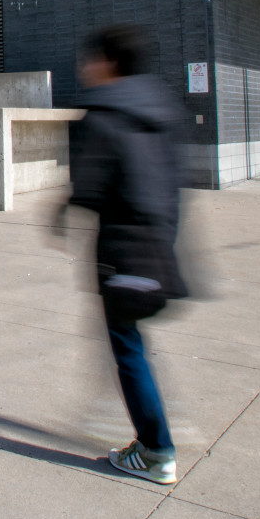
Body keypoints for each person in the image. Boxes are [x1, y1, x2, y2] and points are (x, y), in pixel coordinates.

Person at [57, 24, 189, 486]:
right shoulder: (160, 111)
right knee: (133, 343)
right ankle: (155, 435)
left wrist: (62, 208)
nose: (83, 66)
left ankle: (157, 449)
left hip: (121, 251)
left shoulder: (103, 116)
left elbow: (90, 191)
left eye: (89, 58)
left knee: (128, 348)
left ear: (108, 63)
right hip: (159, 245)